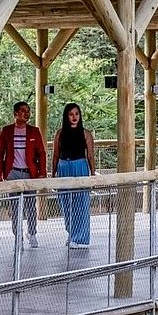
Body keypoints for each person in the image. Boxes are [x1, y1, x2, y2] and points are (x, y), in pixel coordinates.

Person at [0, 100, 47, 248]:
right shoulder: (7, 131)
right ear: (15, 113)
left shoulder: (34, 131)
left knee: (30, 206)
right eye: (23, 111)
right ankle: (18, 238)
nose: (27, 113)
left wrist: (42, 173)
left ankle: (32, 233)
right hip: (13, 173)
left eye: (28, 111)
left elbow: (41, 153)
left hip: (30, 173)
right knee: (16, 207)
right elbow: (0, 154)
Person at [51, 102, 94, 248]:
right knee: (65, 203)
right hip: (63, 168)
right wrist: (53, 174)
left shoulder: (85, 133)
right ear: (66, 116)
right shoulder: (60, 133)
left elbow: (90, 156)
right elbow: (55, 155)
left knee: (81, 203)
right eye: (71, 114)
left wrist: (92, 174)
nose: (74, 117)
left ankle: (81, 238)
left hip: (79, 167)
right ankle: (71, 233)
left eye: (77, 114)